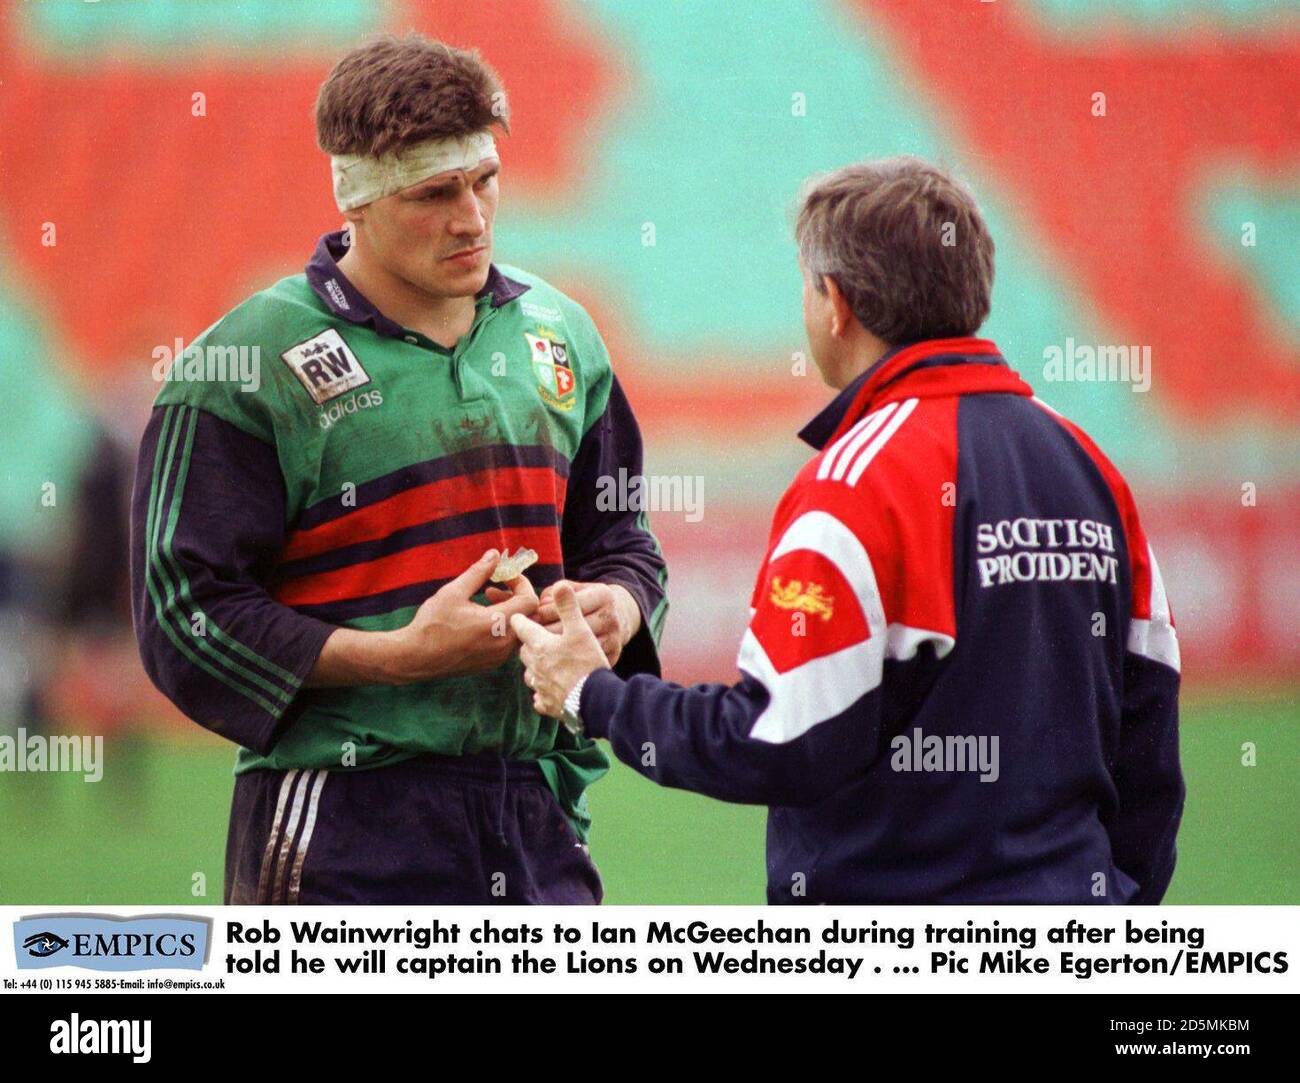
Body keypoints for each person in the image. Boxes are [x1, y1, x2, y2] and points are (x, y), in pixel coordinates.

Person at [514, 157, 1183, 905]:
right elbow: (1150, 746)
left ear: (835, 302)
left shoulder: (855, 483)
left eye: (808, 284)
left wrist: (595, 694)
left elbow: (778, 739)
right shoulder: (1091, 468)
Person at [131, 34, 667, 904]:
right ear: (359, 199)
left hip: (536, 814)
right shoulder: (244, 364)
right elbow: (185, 615)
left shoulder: (562, 333)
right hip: (339, 818)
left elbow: (621, 539)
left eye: (485, 179)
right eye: (435, 193)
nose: (474, 217)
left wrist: (620, 604)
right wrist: (398, 657)